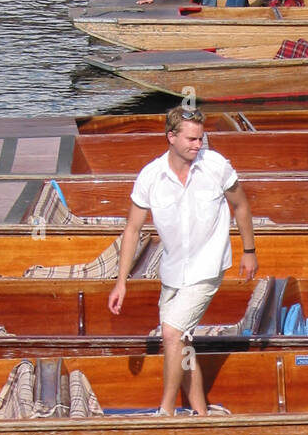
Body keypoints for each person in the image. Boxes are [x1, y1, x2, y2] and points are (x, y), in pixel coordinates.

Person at [107, 108, 257, 417]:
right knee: (184, 344)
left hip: (208, 267)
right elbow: (132, 230)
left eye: (200, 138)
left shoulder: (216, 166)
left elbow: (241, 205)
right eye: (191, 139)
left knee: (171, 333)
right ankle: (201, 416)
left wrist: (249, 250)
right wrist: (121, 281)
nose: (197, 145)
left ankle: (166, 413)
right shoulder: (150, 176)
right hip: (173, 271)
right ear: (171, 137)